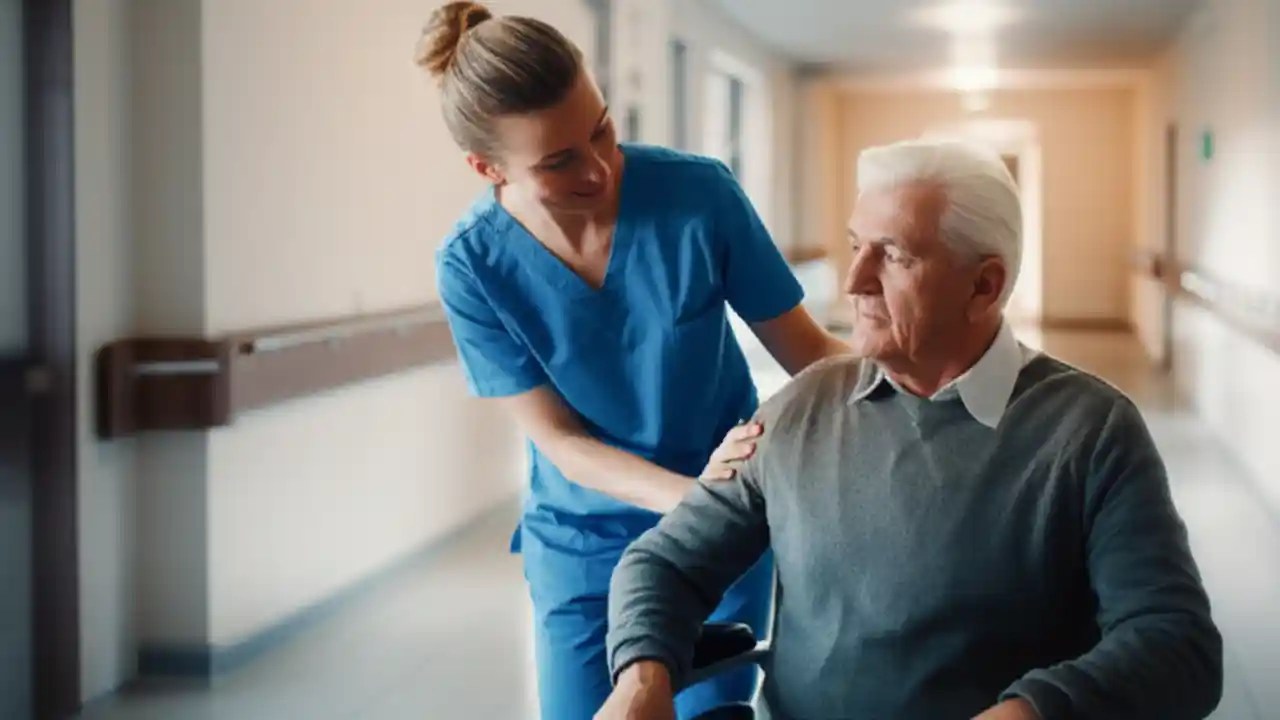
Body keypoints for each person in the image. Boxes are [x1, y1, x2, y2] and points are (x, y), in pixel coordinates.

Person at [601, 138, 1224, 720]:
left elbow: (1176, 643)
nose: (854, 282)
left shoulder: (1089, 432)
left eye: (894, 256)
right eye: (855, 247)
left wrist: (1031, 711)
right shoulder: (800, 409)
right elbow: (665, 563)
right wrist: (641, 677)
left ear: (984, 286)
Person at [416, 3, 849, 718]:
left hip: (718, 536)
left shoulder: (699, 195)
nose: (598, 168)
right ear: (487, 168)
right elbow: (562, 443)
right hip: (587, 542)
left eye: (601, 128)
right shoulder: (473, 265)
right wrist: (702, 498)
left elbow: (810, 353)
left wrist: (934, 383)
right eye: (558, 161)